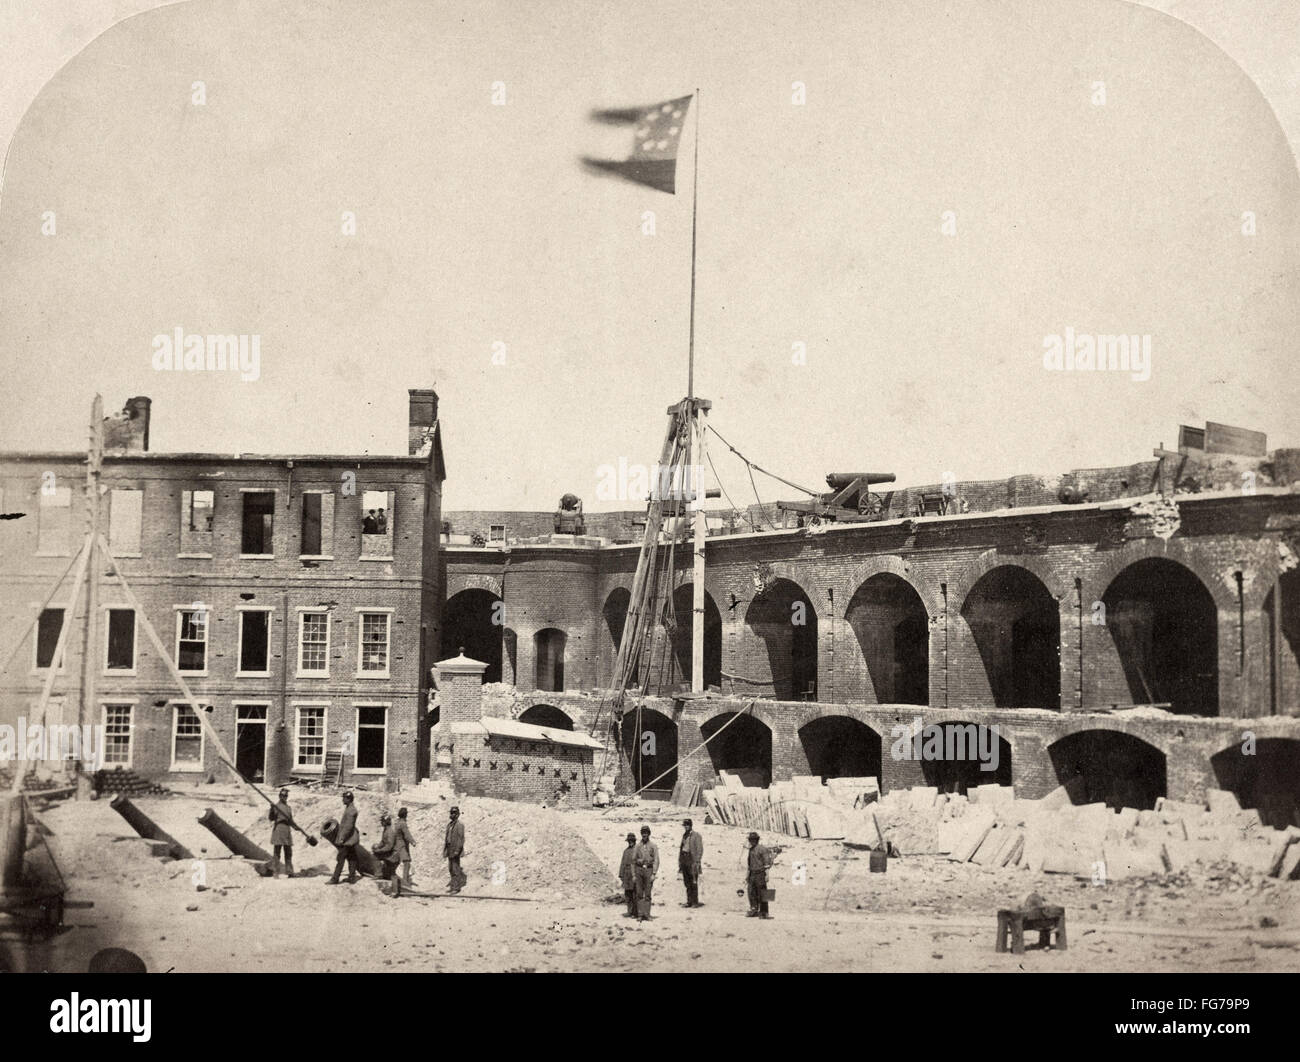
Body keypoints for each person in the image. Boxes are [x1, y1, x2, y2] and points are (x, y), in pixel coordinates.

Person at [327, 791, 360, 885]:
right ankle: (352, 878)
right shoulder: (349, 808)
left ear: (348, 799)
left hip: (347, 839)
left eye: (344, 798)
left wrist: (342, 838)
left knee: (340, 858)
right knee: (352, 857)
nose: (343, 799)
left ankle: (335, 879)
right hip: (350, 839)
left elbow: (348, 827)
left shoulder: (351, 810)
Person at [372, 812, 403, 897]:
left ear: (385, 822)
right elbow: (383, 842)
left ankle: (395, 892)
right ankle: (379, 874)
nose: (381, 823)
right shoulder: (386, 830)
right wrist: (377, 846)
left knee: (393, 873)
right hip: (389, 854)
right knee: (376, 856)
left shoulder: (390, 832)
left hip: (393, 856)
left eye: (382, 821)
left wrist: (380, 850)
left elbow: (389, 846)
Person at [632, 825, 659, 921]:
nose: (644, 834)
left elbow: (656, 860)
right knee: (639, 893)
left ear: (649, 834)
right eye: (643, 833)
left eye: (646, 833)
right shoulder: (637, 846)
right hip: (639, 870)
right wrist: (634, 875)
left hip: (649, 870)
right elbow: (633, 861)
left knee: (647, 893)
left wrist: (654, 873)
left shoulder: (653, 846)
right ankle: (640, 914)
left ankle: (647, 914)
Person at [745, 831, 774, 919]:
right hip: (752, 874)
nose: (751, 841)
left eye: (753, 840)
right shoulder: (750, 850)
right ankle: (754, 909)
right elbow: (749, 864)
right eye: (750, 840)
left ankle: (764, 912)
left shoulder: (763, 849)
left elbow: (767, 863)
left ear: (757, 840)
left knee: (763, 893)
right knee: (751, 892)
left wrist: (767, 874)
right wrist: (747, 875)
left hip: (761, 873)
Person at [269, 788, 295, 878]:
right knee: (277, 852)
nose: (285, 797)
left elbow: (291, 821)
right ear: (279, 796)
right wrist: (272, 809)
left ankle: (290, 872)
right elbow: (271, 818)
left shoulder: (288, 808)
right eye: (283, 795)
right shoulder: (276, 806)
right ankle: (275, 872)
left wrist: (297, 828)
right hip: (279, 829)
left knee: (288, 852)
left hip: (287, 830)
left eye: (286, 795)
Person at [679, 818, 704, 908]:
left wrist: (697, 861)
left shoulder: (696, 836)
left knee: (693, 881)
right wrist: (680, 862)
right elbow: (681, 849)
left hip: (692, 860)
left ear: (690, 825)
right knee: (687, 881)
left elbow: (700, 849)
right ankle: (689, 901)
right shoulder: (684, 835)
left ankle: (695, 902)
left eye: (687, 825)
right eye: (685, 825)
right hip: (684, 859)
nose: (686, 827)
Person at [444, 806, 466, 893]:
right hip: (449, 849)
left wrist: (457, 850)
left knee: (455, 868)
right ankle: (452, 887)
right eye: (451, 813)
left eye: (454, 813)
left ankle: (456, 888)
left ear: (457, 814)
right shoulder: (449, 825)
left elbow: (461, 839)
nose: (452, 814)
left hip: (455, 850)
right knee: (451, 869)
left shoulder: (460, 825)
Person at [618, 832, 637, 917]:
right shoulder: (625, 851)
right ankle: (629, 911)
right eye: (629, 841)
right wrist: (621, 874)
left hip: (634, 874)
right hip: (626, 875)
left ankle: (635, 912)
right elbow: (622, 863)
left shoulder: (637, 850)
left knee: (634, 894)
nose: (630, 842)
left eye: (631, 840)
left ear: (634, 841)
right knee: (627, 894)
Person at [395, 807, 416, 885]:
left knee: (403, 862)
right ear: (405, 815)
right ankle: (405, 882)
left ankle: (405, 879)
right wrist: (413, 842)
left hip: (398, 844)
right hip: (401, 845)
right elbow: (407, 834)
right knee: (406, 862)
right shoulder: (403, 823)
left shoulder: (397, 822)